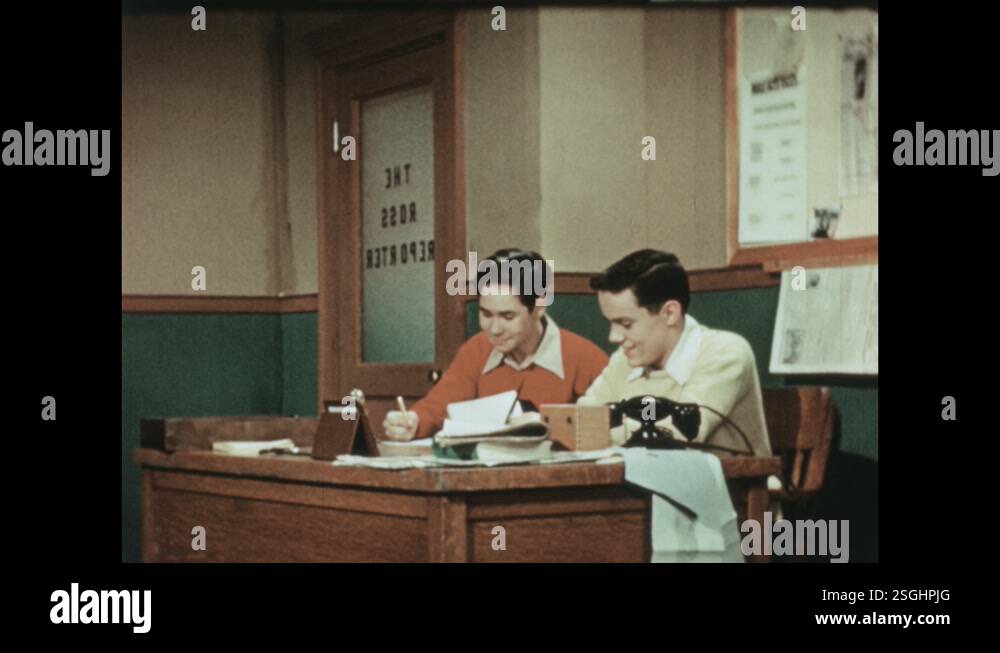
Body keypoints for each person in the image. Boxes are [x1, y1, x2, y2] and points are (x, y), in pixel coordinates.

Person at [383, 248, 609, 441]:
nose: (494, 329)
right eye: (486, 314)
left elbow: (614, 430)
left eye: (508, 317)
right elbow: (439, 404)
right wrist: (412, 421)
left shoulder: (585, 358)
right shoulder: (477, 350)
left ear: (539, 307)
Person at [578, 249, 772, 457]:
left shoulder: (726, 354)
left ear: (670, 313)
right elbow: (580, 424)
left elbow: (676, 436)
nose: (614, 337)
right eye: (611, 323)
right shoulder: (624, 360)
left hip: (726, 487)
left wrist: (604, 431)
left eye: (625, 324)